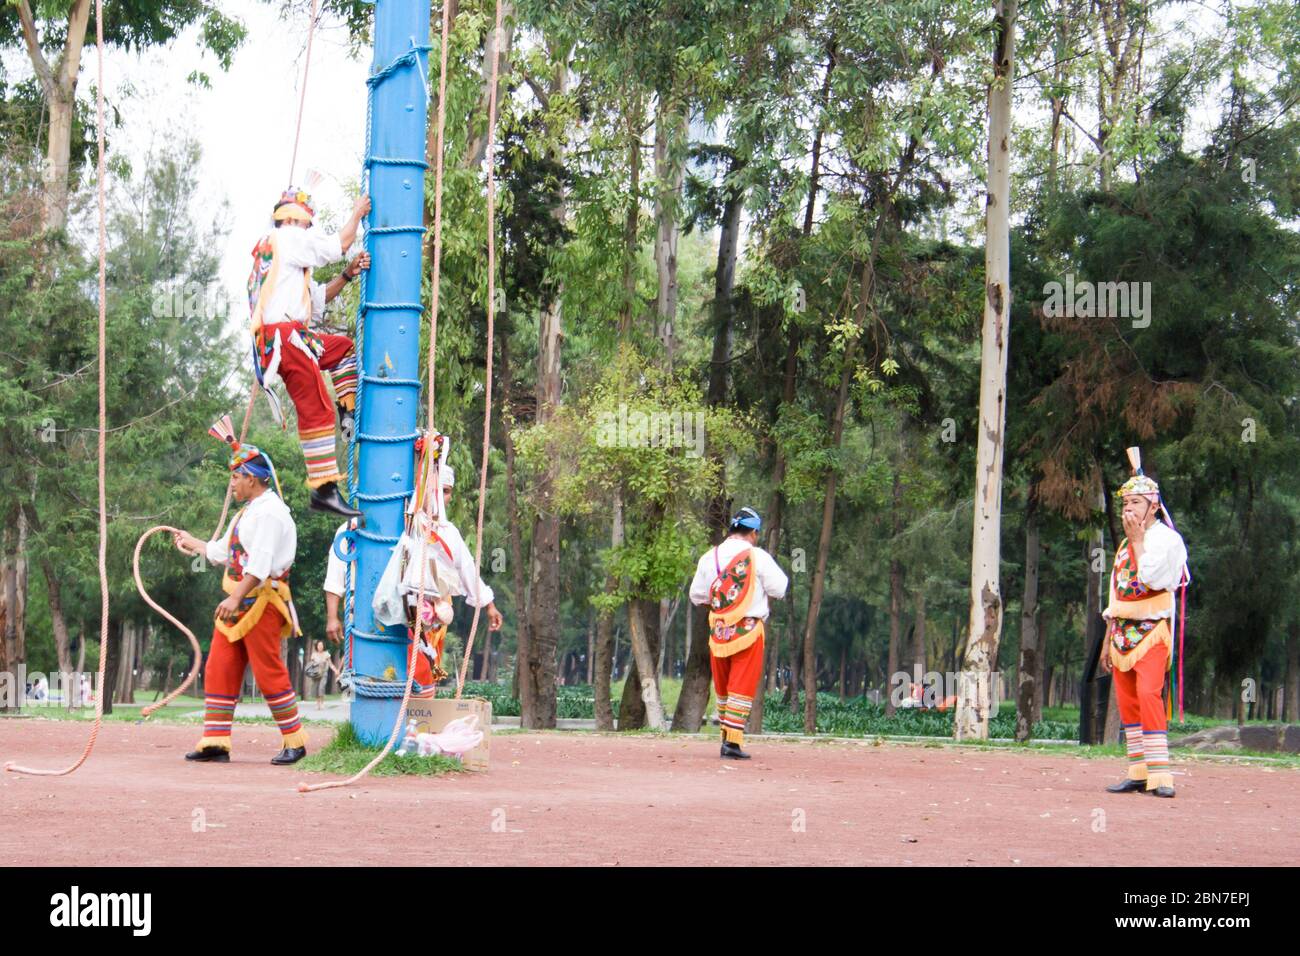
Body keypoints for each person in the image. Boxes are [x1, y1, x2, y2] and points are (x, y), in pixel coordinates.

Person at [172, 431, 309, 765]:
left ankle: (295, 740)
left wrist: (235, 598)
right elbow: (222, 552)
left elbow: (260, 565)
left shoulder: (270, 513)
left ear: (252, 479)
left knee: (267, 671)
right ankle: (216, 741)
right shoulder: (249, 511)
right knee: (219, 666)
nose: (231, 484)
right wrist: (193, 543)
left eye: (235, 477)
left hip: (260, 601)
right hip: (237, 603)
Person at [247, 186, 370, 518]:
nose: (308, 229)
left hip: (289, 336)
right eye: (306, 223)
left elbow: (315, 302)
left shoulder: (274, 254)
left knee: (342, 350)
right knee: (316, 407)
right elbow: (339, 245)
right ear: (295, 219)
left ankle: (347, 413)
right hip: (287, 338)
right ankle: (324, 489)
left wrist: (346, 276)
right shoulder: (288, 238)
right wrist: (357, 213)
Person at [373, 461, 503, 697]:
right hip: (401, 609)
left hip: (434, 617)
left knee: (426, 669)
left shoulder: (448, 532)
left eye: (446, 491)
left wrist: (489, 606)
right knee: (396, 669)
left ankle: (420, 721)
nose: (440, 497)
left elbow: (467, 569)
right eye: (435, 490)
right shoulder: (405, 522)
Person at [1100, 471, 1189, 798]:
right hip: (1122, 633)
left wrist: (1138, 542)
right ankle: (1137, 771)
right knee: (1128, 702)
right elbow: (1116, 591)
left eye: (1135, 503)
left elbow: (1152, 579)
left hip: (1151, 632)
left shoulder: (1168, 540)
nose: (1128, 510)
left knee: (1150, 695)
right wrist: (1108, 638)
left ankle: (1161, 775)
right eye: (1125, 504)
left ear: (1153, 506)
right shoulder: (1124, 545)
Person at [689, 507, 788, 759]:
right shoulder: (757, 556)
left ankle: (726, 736)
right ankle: (732, 743)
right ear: (753, 533)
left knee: (723, 686)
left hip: (719, 631)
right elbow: (779, 588)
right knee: (741, 685)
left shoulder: (708, 557)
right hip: (748, 629)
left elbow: (697, 595)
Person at [304, 640, 340, 710]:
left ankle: (322, 703)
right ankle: (318, 704)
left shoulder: (326, 654)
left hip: (324, 673)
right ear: (317, 646)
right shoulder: (314, 655)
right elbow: (311, 665)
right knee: (316, 688)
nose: (320, 647)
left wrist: (335, 670)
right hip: (316, 674)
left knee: (321, 688)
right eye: (319, 645)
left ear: (323, 646)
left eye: (321, 645)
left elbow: (330, 664)